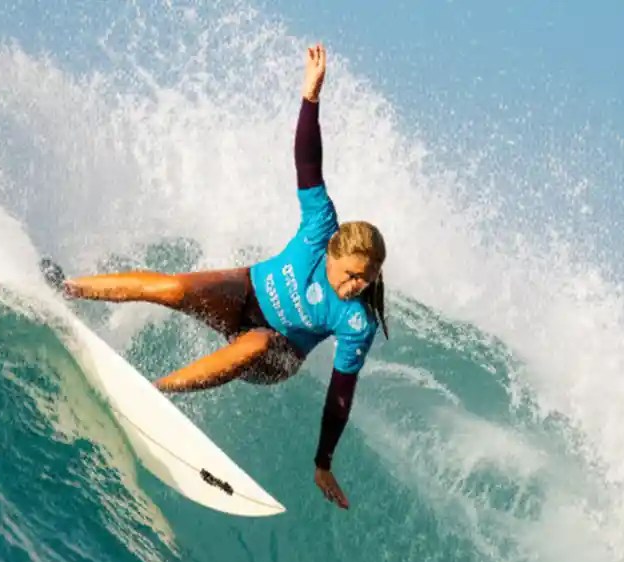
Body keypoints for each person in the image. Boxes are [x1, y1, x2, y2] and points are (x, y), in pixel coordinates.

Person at [61, 43, 387, 510]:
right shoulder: (321, 226)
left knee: (255, 343)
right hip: (246, 294)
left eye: (367, 280)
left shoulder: (357, 322)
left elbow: (340, 395)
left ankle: (155, 394)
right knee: (173, 288)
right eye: (354, 275)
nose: (358, 286)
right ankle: (67, 287)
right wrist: (310, 99)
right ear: (334, 252)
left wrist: (323, 462)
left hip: (277, 354)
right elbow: (307, 162)